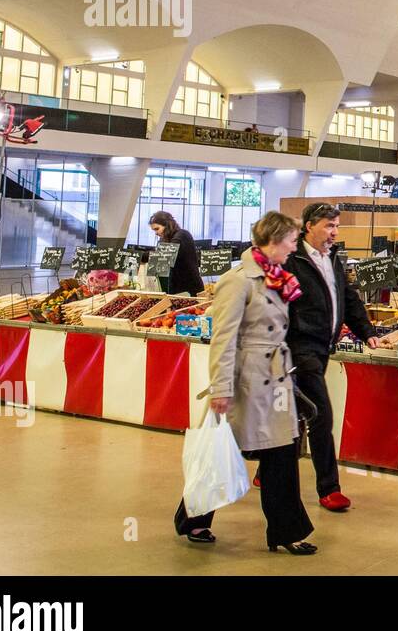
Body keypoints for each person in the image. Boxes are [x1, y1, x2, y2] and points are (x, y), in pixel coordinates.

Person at [173, 212, 317, 555]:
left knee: (283, 454)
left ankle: (286, 531)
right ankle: (194, 517)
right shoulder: (236, 281)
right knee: (222, 453)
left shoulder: (279, 277)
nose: (295, 246)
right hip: (247, 382)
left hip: (277, 378)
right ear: (273, 240)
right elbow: (223, 339)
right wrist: (220, 388)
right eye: (291, 240)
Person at [274, 202, 384, 512]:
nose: (334, 232)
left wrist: (366, 331)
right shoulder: (291, 260)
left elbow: (347, 299)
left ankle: (268, 467)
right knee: (321, 414)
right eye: (328, 226)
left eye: (336, 227)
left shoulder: (332, 258)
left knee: (295, 412)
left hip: (323, 348)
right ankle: (329, 488)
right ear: (309, 226)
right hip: (300, 347)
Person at [149, 211, 204, 296]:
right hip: (176, 289)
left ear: (167, 225)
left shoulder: (182, 235)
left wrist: (139, 256)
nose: (156, 233)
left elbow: (164, 255)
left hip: (190, 289)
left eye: (157, 229)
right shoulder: (165, 239)